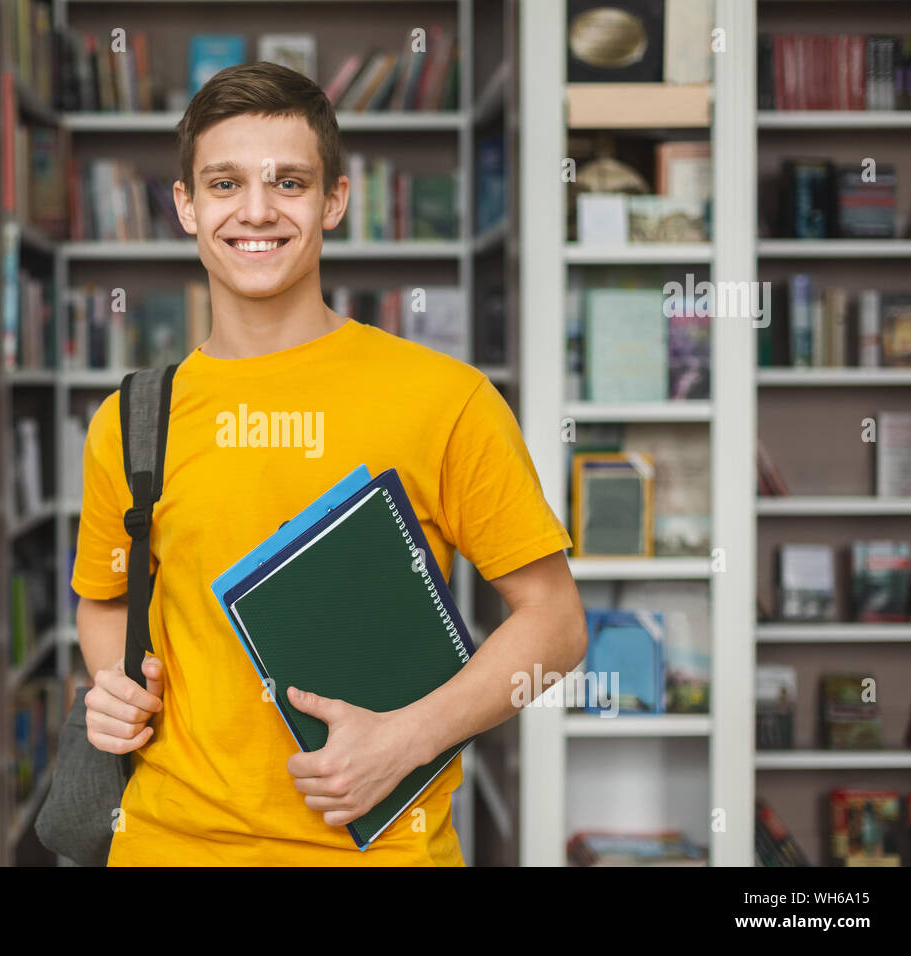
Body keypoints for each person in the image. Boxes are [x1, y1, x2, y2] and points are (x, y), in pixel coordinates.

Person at [71, 62, 586, 866]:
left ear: (334, 200)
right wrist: (116, 692)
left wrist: (404, 740)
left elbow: (555, 625)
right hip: (167, 846)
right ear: (185, 207)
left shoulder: (444, 399)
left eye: (289, 182)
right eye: (223, 183)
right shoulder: (133, 421)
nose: (255, 210)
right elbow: (104, 599)